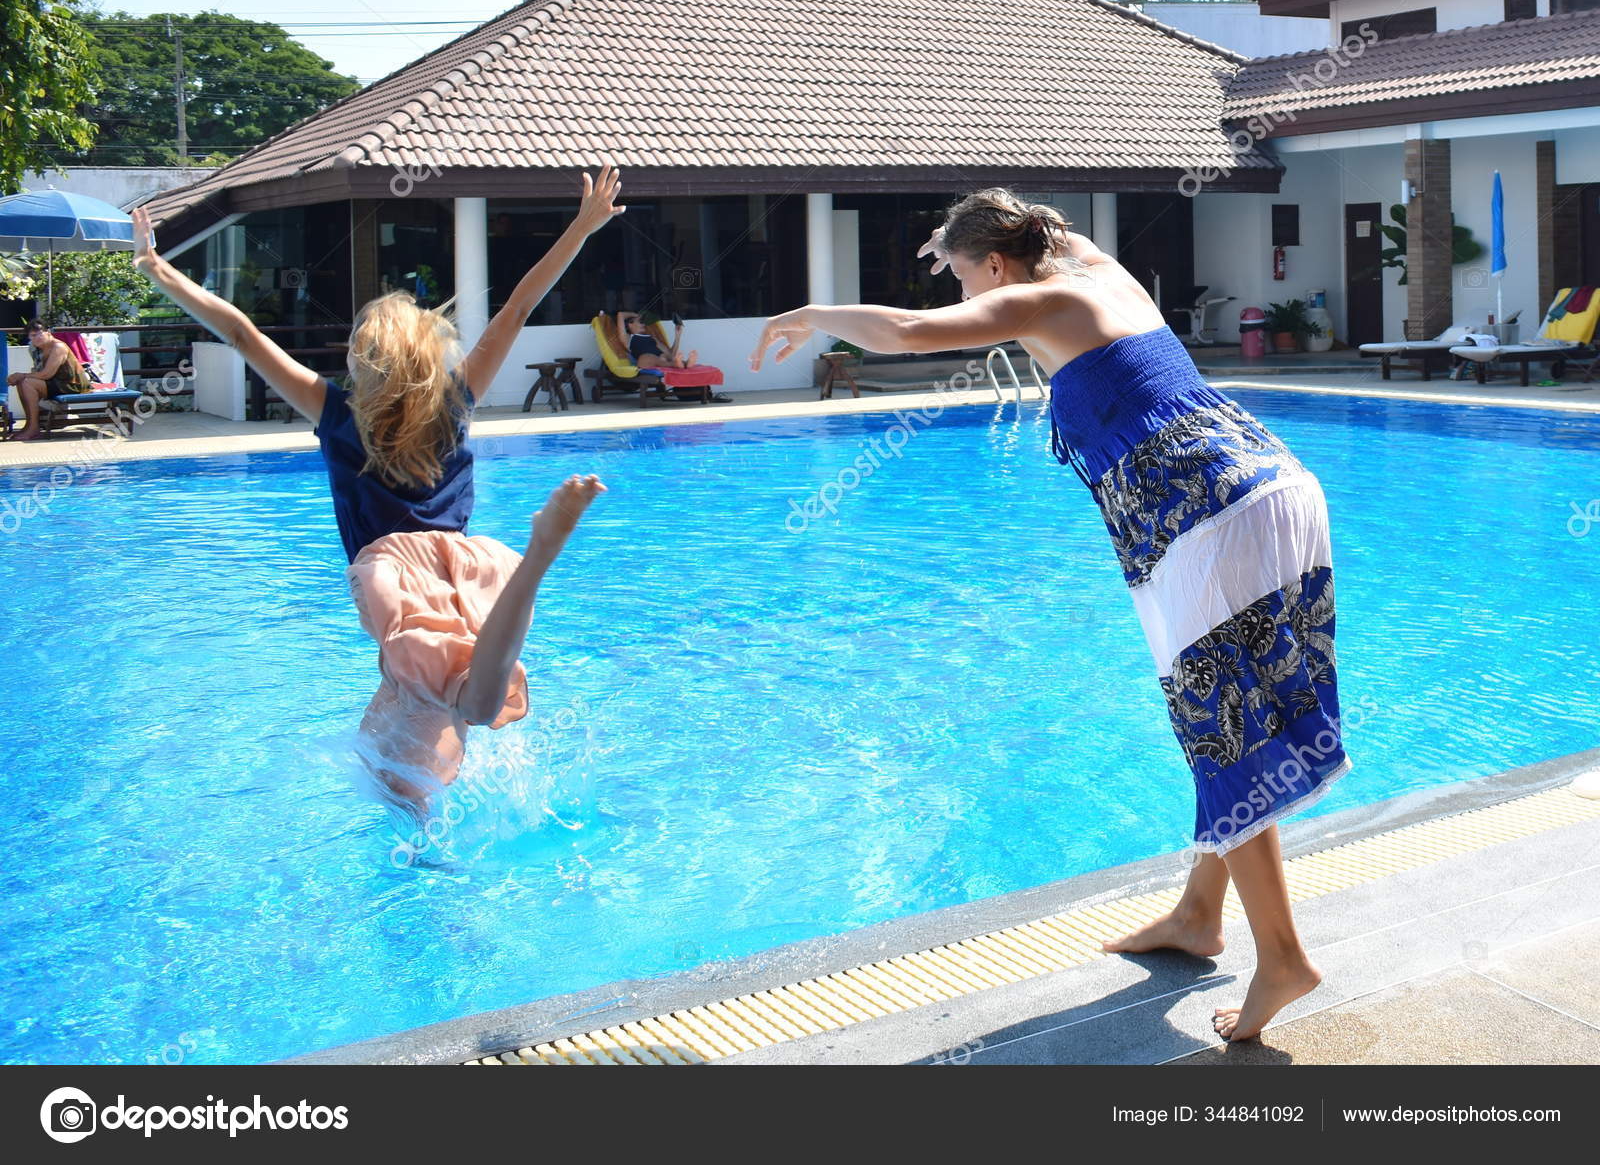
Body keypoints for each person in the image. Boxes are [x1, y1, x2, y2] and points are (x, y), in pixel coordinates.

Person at [750, 188, 1348, 1044]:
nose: (966, 298)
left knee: (1227, 734)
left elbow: (911, 334)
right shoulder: (1095, 268)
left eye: (965, 277)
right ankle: (1197, 912)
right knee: (1227, 721)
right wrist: (965, 235)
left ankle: (1283, 955)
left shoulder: (1045, 299)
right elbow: (1045, 230)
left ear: (998, 265)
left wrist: (813, 311)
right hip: (1268, 489)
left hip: (1206, 521)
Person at [128, 163, 628, 810]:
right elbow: (520, 307)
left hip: (390, 569)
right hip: (462, 569)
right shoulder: (456, 401)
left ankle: (425, 814)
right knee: (403, 704)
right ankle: (423, 775)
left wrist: (159, 270)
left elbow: (242, 333)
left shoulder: (336, 412)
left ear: (363, 365)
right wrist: (582, 227)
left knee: (452, 697)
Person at [6, 319, 89, 441]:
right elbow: (38, 372)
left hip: (72, 384)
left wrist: (21, 375)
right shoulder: (36, 349)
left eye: (40, 333)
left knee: (27, 382)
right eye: (33, 335)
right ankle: (29, 425)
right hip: (56, 382)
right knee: (22, 382)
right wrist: (20, 377)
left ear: (48, 332)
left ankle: (34, 428)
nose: (37, 337)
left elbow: (46, 374)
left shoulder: (58, 347)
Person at [617, 310, 696, 370]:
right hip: (645, 361)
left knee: (664, 356)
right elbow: (620, 315)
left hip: (663, 360)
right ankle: (680, 364)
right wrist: (638, 315)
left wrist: (678, 336)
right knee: (647, 357)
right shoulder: (628, 338)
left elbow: (671, 355)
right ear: (630, 324)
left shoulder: (652, 338)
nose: (644, 324)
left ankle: (685, 363)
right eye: (641, 322)